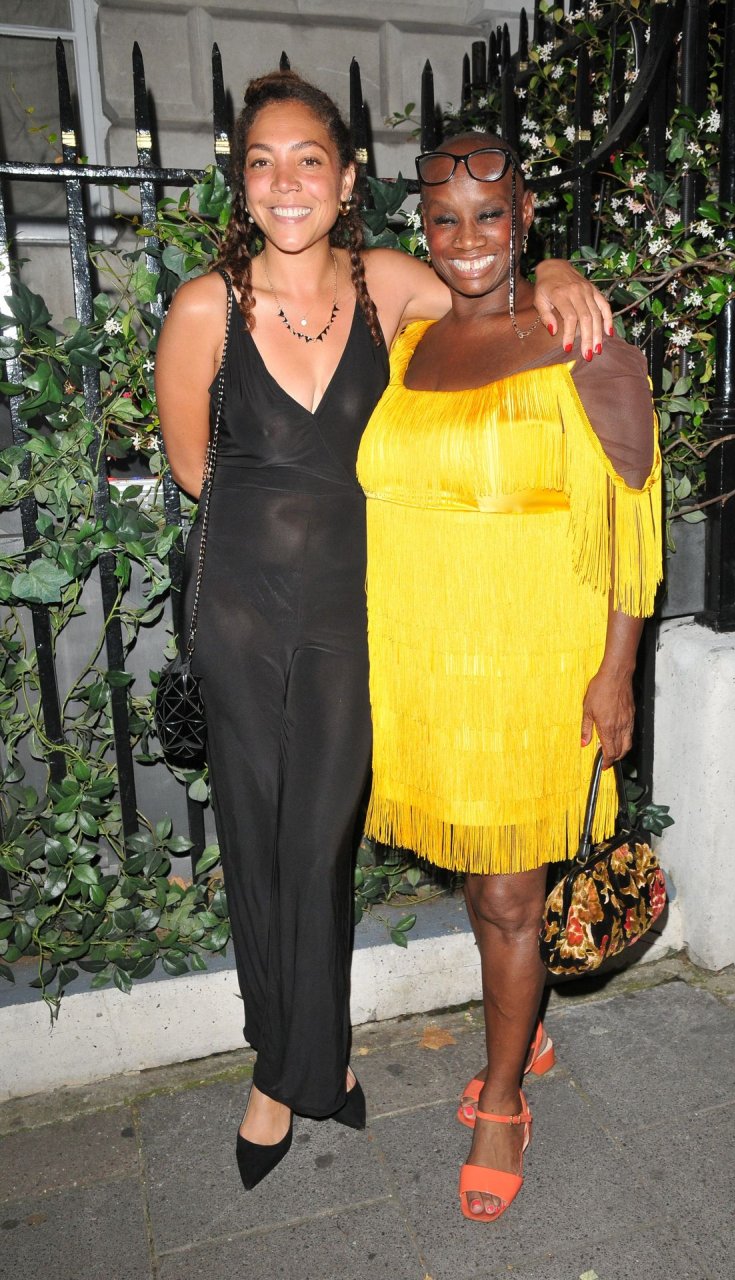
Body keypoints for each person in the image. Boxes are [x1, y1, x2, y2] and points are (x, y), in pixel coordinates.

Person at [155, 72, 612, 1192]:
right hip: (242, 615)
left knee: (317, 848)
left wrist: (557, 269)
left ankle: (304, 1057)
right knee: (256, 847)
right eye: (261, 163)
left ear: (348, 178)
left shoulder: (387, 286)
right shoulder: (204, 307)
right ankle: (287, 1070)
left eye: (308, 159)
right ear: (242, 184)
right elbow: (194, 472)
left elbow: (487, 283)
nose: (285, 183)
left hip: (359, 618)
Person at [357, 134, 662, 1221]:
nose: (467, 238)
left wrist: (616, 672)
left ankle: (501, 1098)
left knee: (505, 892)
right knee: (482, 875)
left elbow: (633, 517)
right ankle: (521, 1031)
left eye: (490, 215)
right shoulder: (411, 341)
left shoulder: (580, 339)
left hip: (533, 666)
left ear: (525, 215)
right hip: (427, 666)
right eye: (444, 218)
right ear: (421, 229)